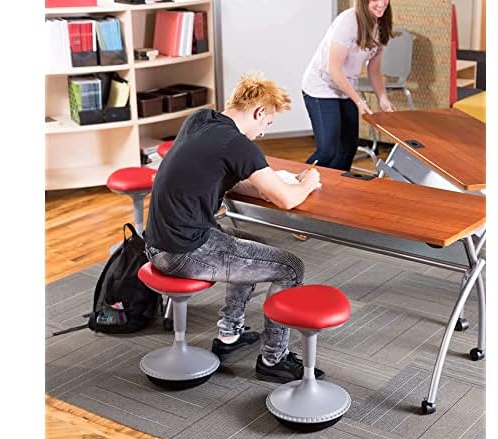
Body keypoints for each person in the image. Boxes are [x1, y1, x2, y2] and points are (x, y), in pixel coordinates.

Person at [144, 72, 325, 383]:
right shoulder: (238, 144)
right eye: (267, 123)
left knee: (251, 246)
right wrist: (307, 183)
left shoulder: (200, 120)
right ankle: (274, 359)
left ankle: (229, 337)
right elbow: (286, 200)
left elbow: (222, 174)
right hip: (184, 251)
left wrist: (265, 186)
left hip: (157, 242)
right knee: (290, 267)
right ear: (258, 112)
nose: (263, 134)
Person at [301, 0, 396, 171]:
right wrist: (359, 101)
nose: (381, 4)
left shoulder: (381, 24)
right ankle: (293, 184)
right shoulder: (348, 21)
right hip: (321, 87)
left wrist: (382, 97)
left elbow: (374, 69)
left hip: (346, 87)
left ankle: (334, 190)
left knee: (347, 148)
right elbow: (334, 69)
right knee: (327, 150)